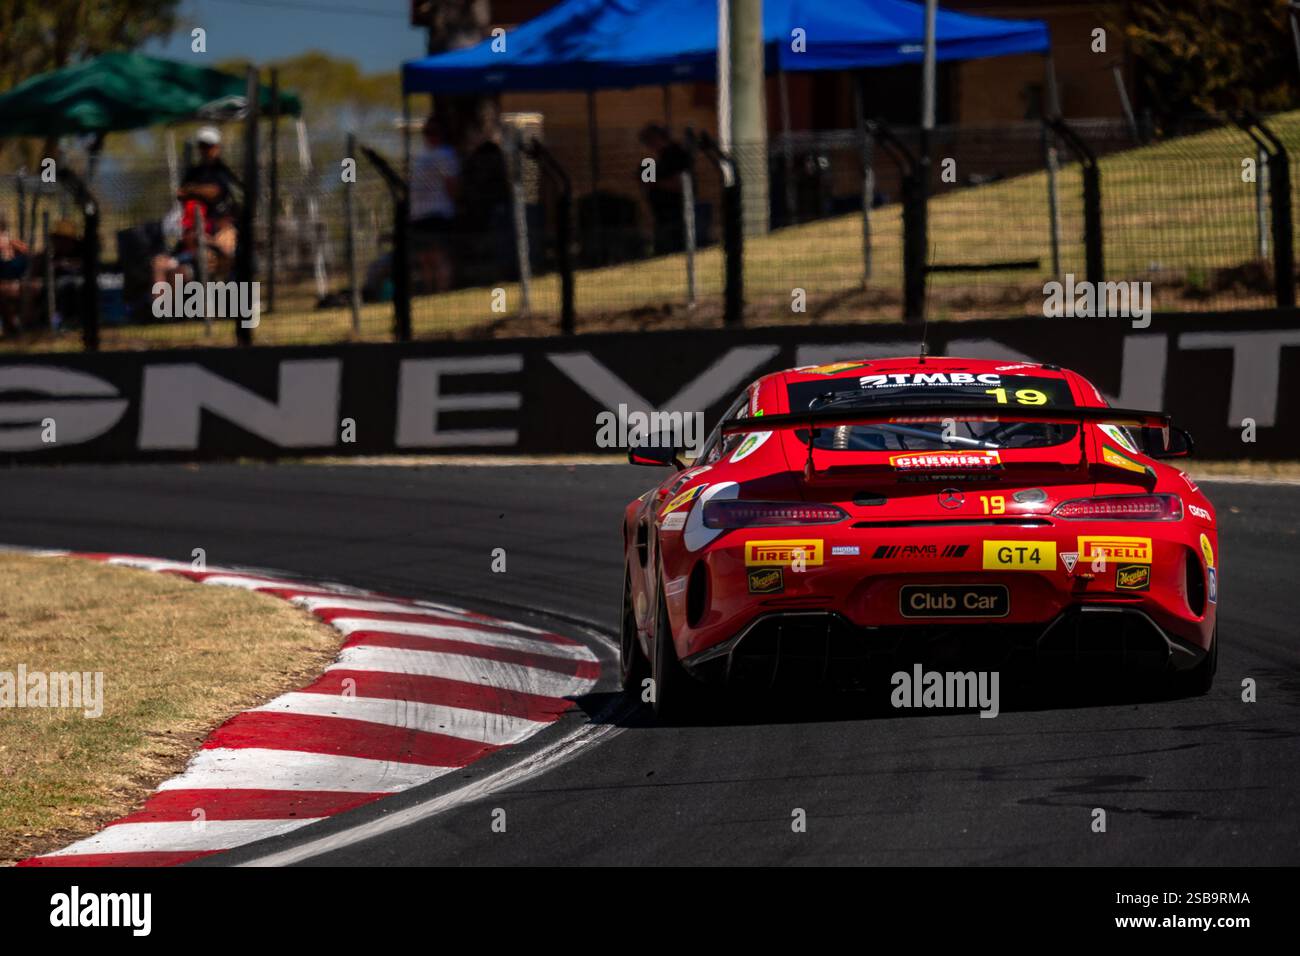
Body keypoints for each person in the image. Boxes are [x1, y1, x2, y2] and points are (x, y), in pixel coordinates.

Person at [152, 127, 238, 300]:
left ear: (217, 147)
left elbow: (216, 191)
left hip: (215, 236)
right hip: (192, 238)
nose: (206, 150)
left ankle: (219, 304)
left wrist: (195, 190)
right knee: (162, 264)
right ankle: (163, 312)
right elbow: (181, 192)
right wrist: (195, 192)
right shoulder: (194, 172)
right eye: (203, 146)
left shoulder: (222, 172)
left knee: (213, 259)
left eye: (210, 146)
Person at [410, 116, 460, 292]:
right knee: (424, 258)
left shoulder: (445, 154)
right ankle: (430, 292)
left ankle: (443, 290)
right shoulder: (421, 156)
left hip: (438, 213)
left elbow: (451, 184)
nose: (430, 136)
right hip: (419, 214)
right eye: (427, 132)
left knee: (439, 255)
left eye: (434, 132)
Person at [638, 123, 692, 255]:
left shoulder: (676, 154)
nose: (648, 146)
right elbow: (646, 182)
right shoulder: (652, 157)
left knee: (674, 246)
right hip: (659, 213)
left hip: (676, 210)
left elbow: (680, 184)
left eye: (649, 142)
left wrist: (655, 183)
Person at [0, 215, 32, 335]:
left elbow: (29, 257)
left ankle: (16, 327)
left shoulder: (16, 247)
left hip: (17, 285)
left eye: (2, 234)